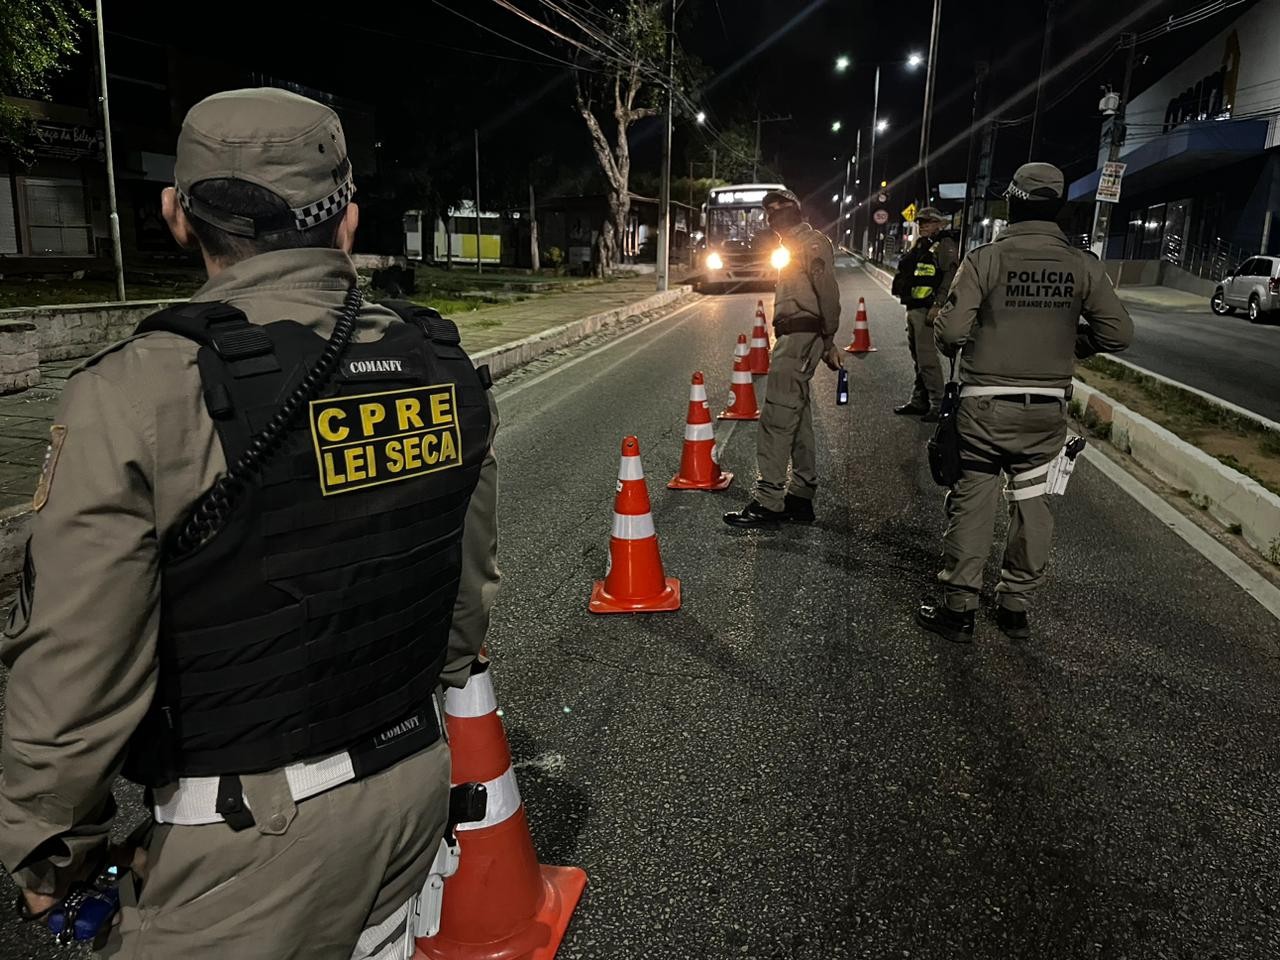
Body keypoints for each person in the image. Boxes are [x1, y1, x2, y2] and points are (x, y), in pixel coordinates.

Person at [0, 88, 500, 958]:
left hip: (244, 844)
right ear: (346, 218)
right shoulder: (440, 360)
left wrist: (51, 859)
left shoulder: (140, 392)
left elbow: (75, 668)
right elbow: (463, 610)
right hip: (414, 791)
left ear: (177, 217)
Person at [915, 162, 1132, 643]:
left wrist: (960, 337)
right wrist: (1078, 345)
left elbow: (949, 331)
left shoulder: (986, 259)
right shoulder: (1082, 264)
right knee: (1033, 501)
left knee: (974, 500)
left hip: (986, 407)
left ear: (1011, 202)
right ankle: (1015, 606)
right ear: (1057, 207)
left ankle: (961, 606)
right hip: (1047, 411)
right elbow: (1118, 333)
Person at [725, 189, 843, 528]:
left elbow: (828, 294)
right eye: (769, 211)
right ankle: (800, 498)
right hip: (796, 337)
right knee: (798, 418)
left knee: (777, 417)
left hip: (800, 339)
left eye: (779, 210)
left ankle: (769, 501)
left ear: (794, 211)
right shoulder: (790, 246)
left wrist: (829, 339)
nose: (773, 216)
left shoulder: (810, 243)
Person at [891, 207, 959, 422]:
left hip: (928, 309)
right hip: (914, 307)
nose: (923, 225)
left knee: (927, 359)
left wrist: (938, 305)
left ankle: (938, 404)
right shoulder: (922, 245)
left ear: (939, 224)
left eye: (928, 222)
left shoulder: (944, 245)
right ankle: (920, 400)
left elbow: (950, 277)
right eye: (921, 222)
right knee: (918, 358)